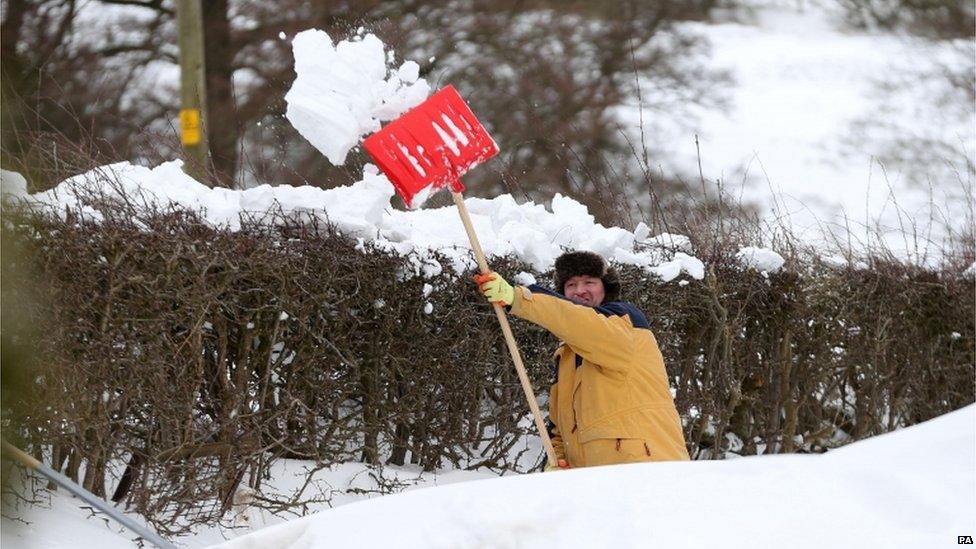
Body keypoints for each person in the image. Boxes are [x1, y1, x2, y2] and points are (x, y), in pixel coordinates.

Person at [474, 250, 689, 470]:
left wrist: (519, 298)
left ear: (606, 286)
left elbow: (576, 319)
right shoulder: (566, 355)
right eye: (571, 285)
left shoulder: (625, 322)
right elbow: (561, 427)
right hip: (596, 481)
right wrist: (558, 460)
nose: (580, 291)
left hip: (647, 468)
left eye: (589, 282)